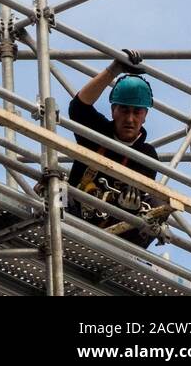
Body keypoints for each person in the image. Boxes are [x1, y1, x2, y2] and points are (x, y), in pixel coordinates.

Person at [66, 48, 162, 246]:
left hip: (115, 233)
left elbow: (143, 200)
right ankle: (51, 227)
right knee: (54, 185)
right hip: (74, 217)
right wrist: (113, 70)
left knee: (159, 205)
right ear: (113, 110)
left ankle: (130, 256)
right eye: (124, 110)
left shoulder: (146, 155)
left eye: (137, 112)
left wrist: (129, 209)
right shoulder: (97, 133)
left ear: (145, 115)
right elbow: (78, 108)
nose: (130, 119)